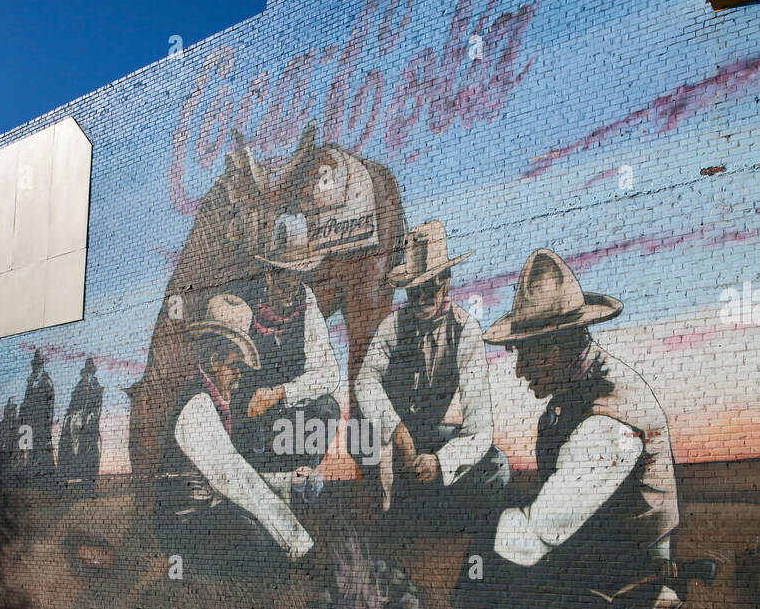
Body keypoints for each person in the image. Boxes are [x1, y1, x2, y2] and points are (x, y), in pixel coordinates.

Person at [453, 247, 682, 609]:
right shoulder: (573, 399)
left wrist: (485, 524)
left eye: (522, 353)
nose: (519, 370)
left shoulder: (608, 418)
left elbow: (543, 531)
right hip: (598, 545)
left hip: (623, 565)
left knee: (487, 552)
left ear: (551, 348)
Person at [355, 220, 508, 536]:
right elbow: (365, 380)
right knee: (359, 437)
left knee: (497, 467)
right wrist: (396, 430)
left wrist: (441, 460)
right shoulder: (394, 325)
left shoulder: (465, 330)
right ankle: (402, 509)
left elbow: (479, 426)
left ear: (446, 281)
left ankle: (423, 511)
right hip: (389, 438)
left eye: (432, 284)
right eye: (416, 287)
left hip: (431, 440)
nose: (423, 295)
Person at [153, 294, 317, 580]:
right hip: (185, 523)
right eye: (235, 367)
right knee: (261, 549)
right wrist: (297, 541)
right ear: (215, 360)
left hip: (206, 511)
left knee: (263, 543)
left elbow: (235, 475)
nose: (239, 378)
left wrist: (288, 480)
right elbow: (234, 477)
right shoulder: (198, 407)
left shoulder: (210, 402)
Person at [233, 212, 341, 486]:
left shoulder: (306, 299)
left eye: (296, 283)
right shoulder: (245, 304)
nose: (291, 295)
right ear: (269, 275)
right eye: (285, 286)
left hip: (284, 417)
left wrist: (282, 392)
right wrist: (250, 397)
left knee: (328, 407)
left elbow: (329, 372)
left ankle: (303, 475)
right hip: (249, 416)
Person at [58, 358, 103, 495]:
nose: (87, 375)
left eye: (89, 373)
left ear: (92, 373)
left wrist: (92, 415)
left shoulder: (96, 387)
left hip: (89, 423)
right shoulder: (79, 387)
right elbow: (72, 404)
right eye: (85, 373)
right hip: (76, 420)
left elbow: (98, 407)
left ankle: (89, 482)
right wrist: (68, 416)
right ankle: (67, 477)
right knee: (67, 443)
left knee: (90, 447)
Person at [18, 350, 56, 482]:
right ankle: (32, 476)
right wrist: (22, 417)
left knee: (43, 448)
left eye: (38, 365)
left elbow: (50, 405)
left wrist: (48, 424)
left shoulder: (46, 382)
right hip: (30, 423)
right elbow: (26, 401)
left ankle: (46, 477)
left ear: (41, 366)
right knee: (31, 448)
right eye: (34, 365)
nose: (35, 367)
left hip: (41, 423)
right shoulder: (30, 383)